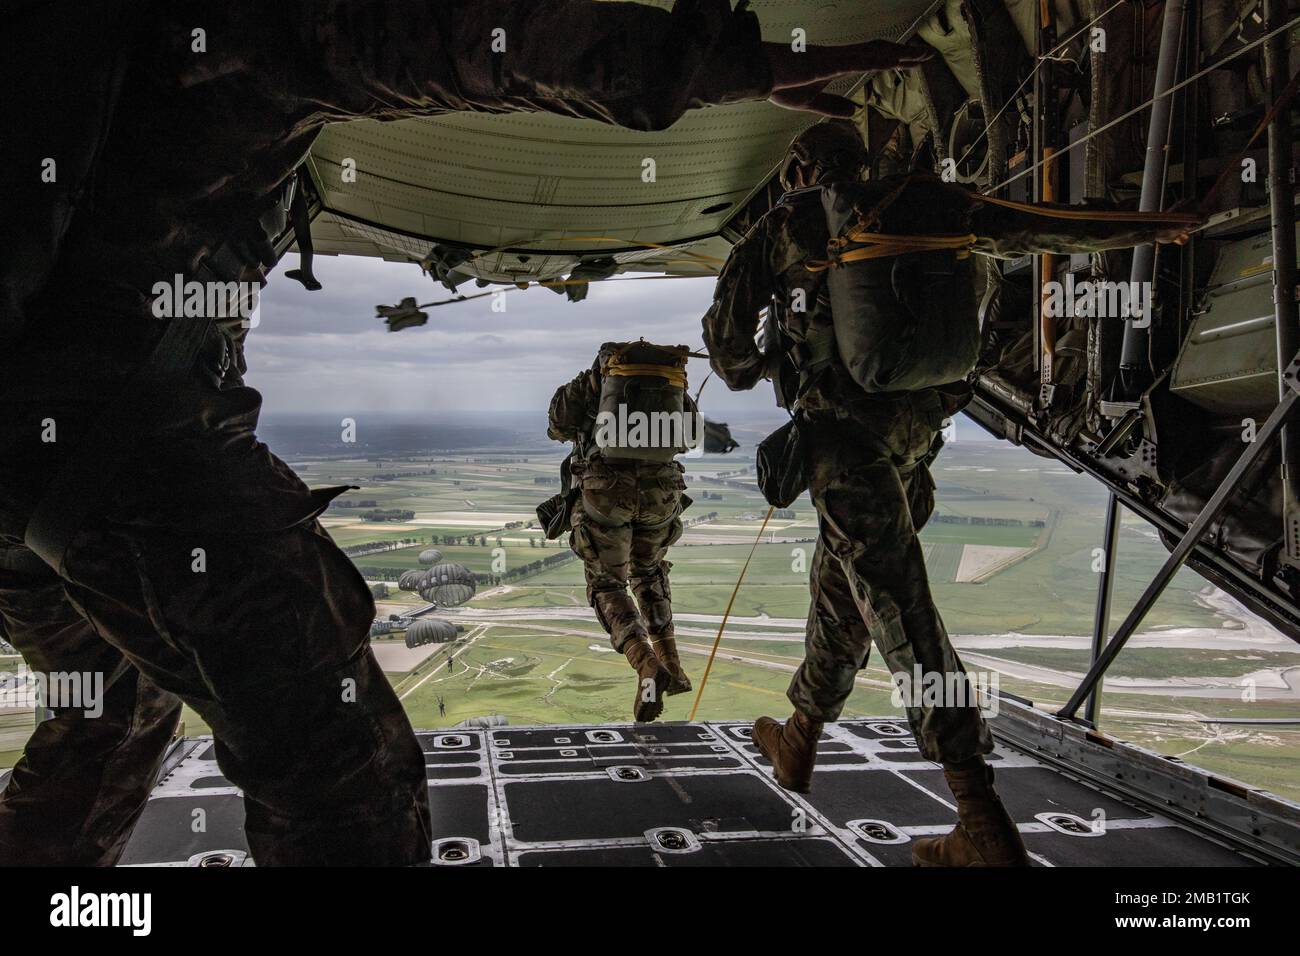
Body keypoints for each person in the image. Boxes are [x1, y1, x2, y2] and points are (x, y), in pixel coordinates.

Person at [0, 0, 929, 866]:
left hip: (38, 468)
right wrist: (695, 63)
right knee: (343, 771)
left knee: (109, 706)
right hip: (130, 449)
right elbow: (448, 36)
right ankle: (658, 654)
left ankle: (649, 656)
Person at [701, 119, 1198, 866]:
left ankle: (979, 813)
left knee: (899, 609)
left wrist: (782, 336)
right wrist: (1154, 228)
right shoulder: (931, 204)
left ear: (798, 169)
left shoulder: (787, 226)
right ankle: (798, 740)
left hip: (844, 445)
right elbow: (1035, 232)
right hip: (917, 433)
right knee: (847, 591)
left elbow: (731, 359)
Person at [545, 342, 700, 721]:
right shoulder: (672, 386)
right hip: (662, 493)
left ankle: (647, 665)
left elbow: (557, 426)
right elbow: (691, 436)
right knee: (648, 573)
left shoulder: (590, 383)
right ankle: (673, 665)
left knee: (608, 584)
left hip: (607, 493)